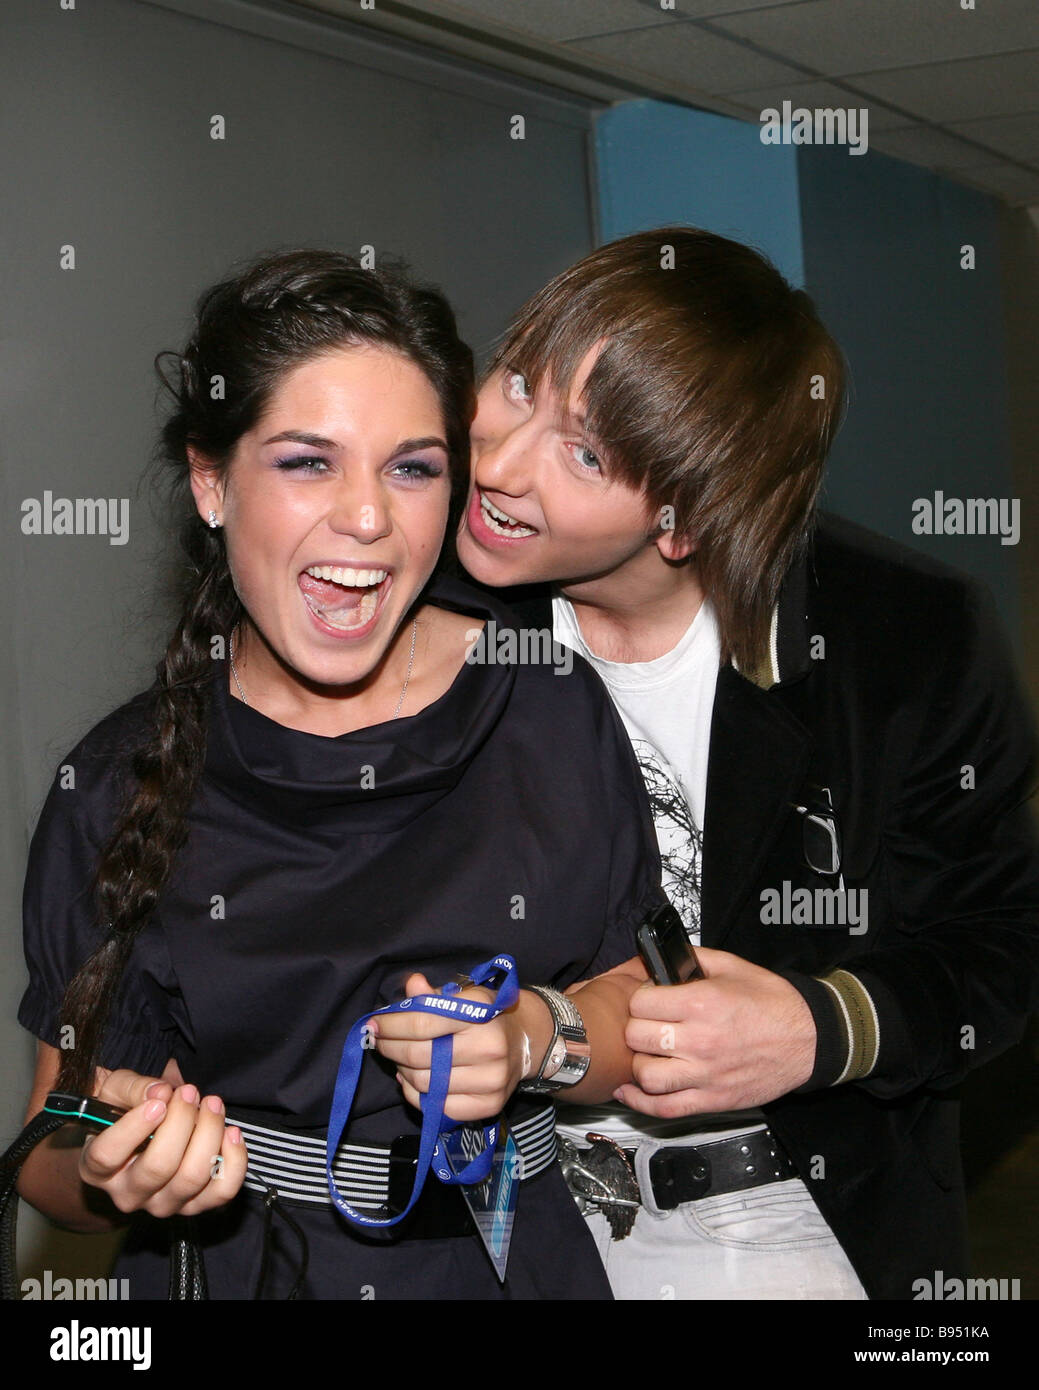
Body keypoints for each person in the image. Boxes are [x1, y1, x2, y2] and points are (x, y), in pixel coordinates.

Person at [13, 248, 666, 1300]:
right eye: (308, 461)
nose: (368, 516)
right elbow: (50, 1149)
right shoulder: (118, 777)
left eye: (413, 467)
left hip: (508, 1266)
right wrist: (117, 1166)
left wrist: (537, 1036)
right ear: (211, 482)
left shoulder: (541, 700)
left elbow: (640, 1007)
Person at [455, 225, 1039, 1300]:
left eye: (583, 454)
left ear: (683, 517)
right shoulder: (430, 606)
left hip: (797, 1223)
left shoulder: (906, 640)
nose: (495, 461)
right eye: (517, 382)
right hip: (505, 1219)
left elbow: (1000, 947)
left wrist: (822, 1027)